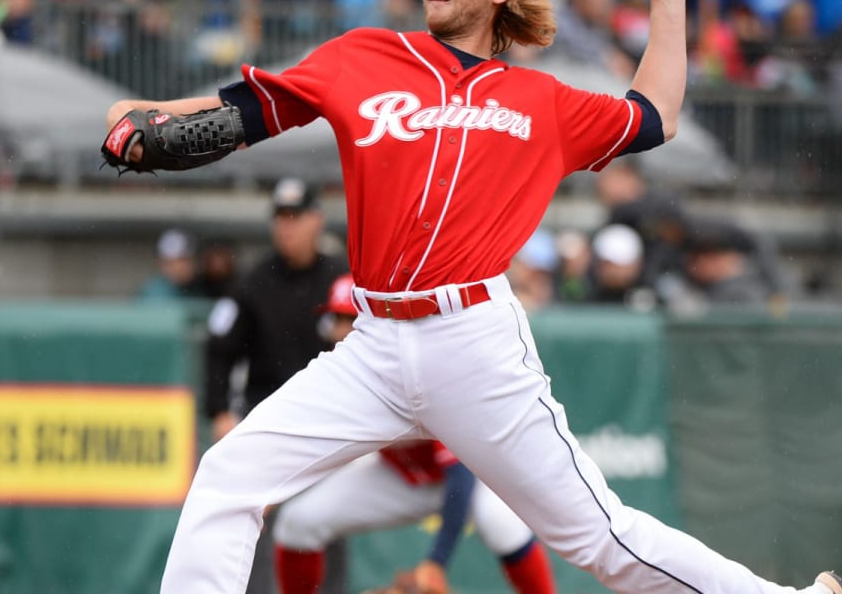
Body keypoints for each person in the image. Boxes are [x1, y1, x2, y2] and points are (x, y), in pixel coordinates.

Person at [102, 0, 842, 594]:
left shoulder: (542, 102)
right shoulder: (362, 58)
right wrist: (145, 118)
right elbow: (239, 113)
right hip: (372, 344)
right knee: (230, 474)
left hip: (473, 342)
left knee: (596, 536)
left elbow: (655, 113)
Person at [273, 274, 556, 594]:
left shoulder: (424, 366)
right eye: (335, 319)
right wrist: (271, 485)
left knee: (503, 526)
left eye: (348, 318)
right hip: (400, 475)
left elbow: (460, 475)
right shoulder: (337, 373)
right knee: (298, 523)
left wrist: (436, 561)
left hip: (474, 476)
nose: (339, 330)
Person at [202, 177, 348, 593]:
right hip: (267, 418)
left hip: (329, 424)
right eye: (281, 218)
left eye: (296, 217)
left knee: (324, 523)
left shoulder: (340, 276)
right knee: (259, 525)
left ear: (316, 220)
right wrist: (220, 410)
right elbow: (219, 345)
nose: (287, 227)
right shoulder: (254, 280)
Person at [138, 229, 200, 301]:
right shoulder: (155, 292)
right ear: (163, 263)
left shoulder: (197, 288)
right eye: (181, 260)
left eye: (189, 259)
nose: (186, 266)